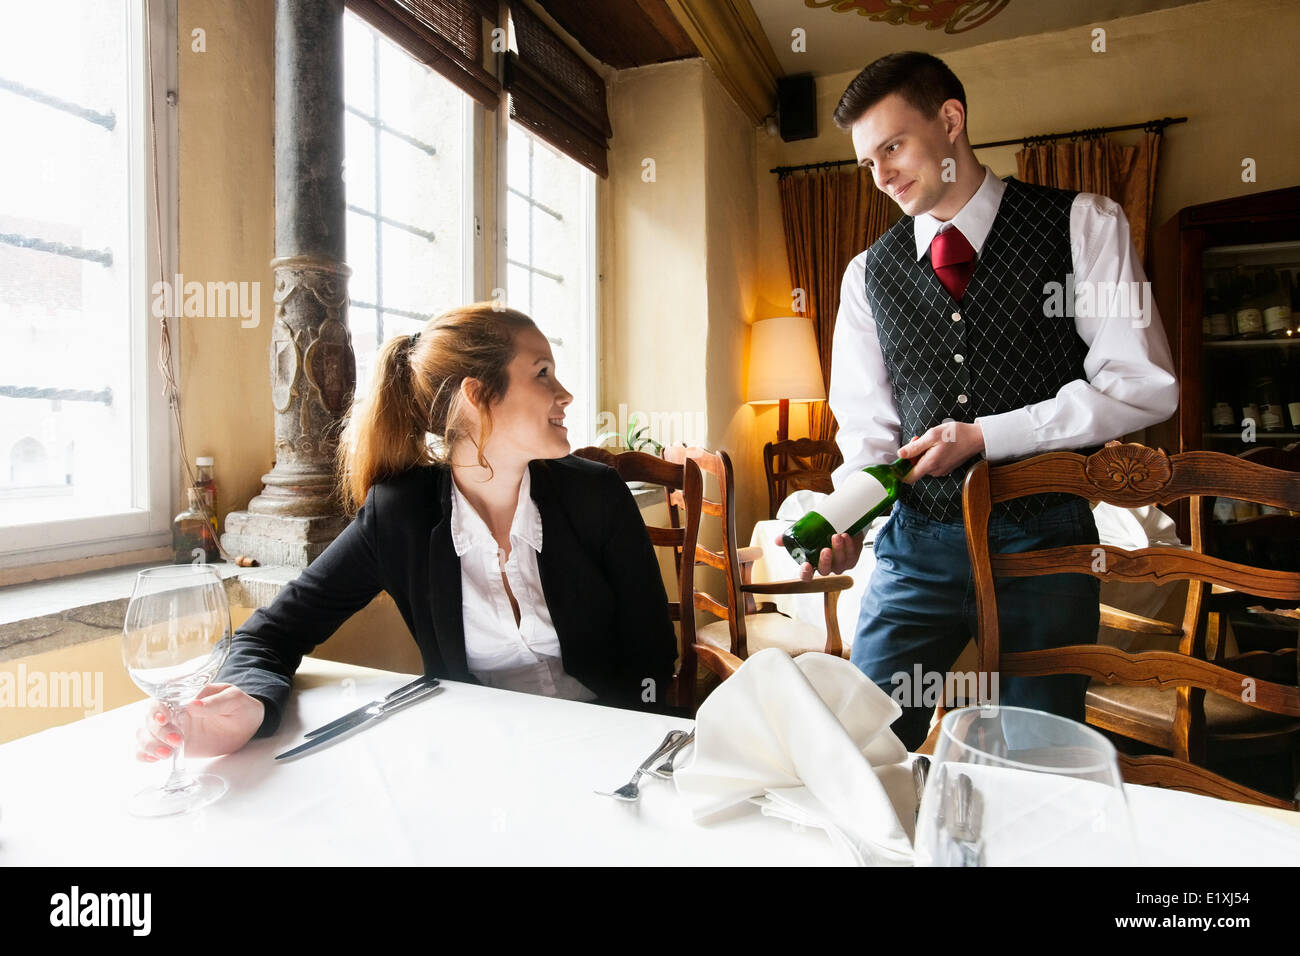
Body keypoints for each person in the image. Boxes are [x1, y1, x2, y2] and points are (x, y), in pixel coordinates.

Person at [796, 52, 1178, 749]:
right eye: (866, 162)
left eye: (892, 146)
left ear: (950, 121)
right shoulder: (865, 276)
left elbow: (1142, 382)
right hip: (916, 550)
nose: (880, 175)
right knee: (863, 749)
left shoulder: (1084, 225)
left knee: (1040, 766)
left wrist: (987, 435)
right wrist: (847, 515)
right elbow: (870, 440)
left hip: (1045, 543)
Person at [135, 304, 677, 762]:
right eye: (541, 373)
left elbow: (652, 652)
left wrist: (643, 741)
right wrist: (250, 705)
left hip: (611, 748)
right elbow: (266, 638)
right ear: (477, 395)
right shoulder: (400, 515)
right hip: (485, 757)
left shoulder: (597, 495)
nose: (565, 394)